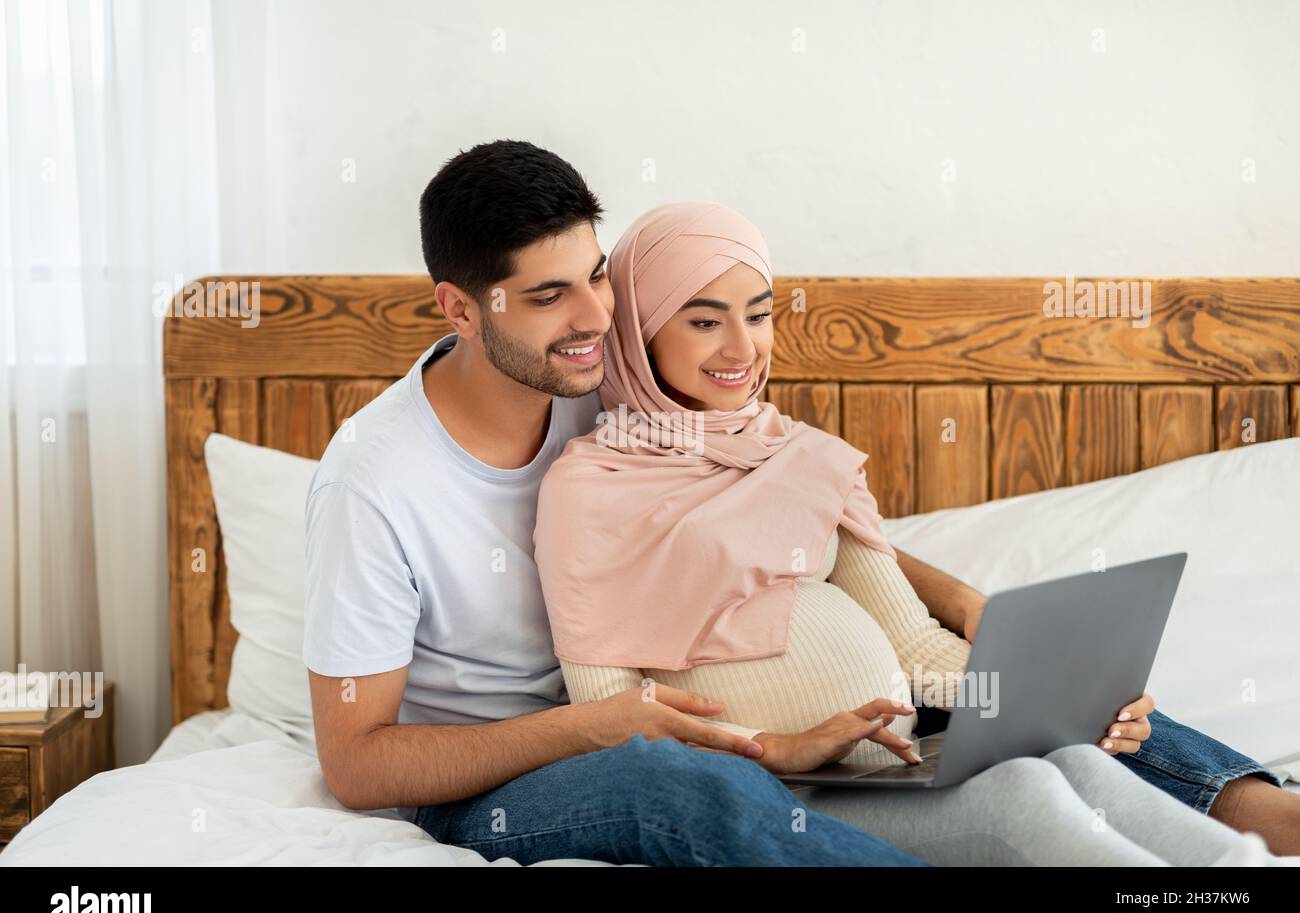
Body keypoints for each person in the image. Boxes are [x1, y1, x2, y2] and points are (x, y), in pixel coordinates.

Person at [301, 140, 1297, 865]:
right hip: (507, 771)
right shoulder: (376, 481)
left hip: (693, 714)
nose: (595, 318)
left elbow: (780, 524)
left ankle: (1256, 810)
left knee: (1027, 680)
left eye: (599, 278)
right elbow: (358, 762)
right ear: (458, 308)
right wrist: (605, 725)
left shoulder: (614, 382)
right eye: (550, 294)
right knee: (684, 781)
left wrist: (958, 602)